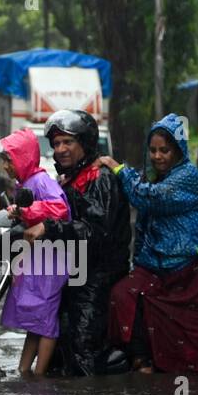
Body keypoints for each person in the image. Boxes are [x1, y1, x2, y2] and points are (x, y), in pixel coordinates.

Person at [100, 113, 198, 374]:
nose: (158, 156)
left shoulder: (189, 177)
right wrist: (139, 264)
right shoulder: (154, 178)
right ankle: (143, 360)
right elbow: (144, 226)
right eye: (153, 151)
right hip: (159, 265)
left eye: (165, 150)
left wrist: (118, 168)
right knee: (123, 295)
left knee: (196, 328)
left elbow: (149, 199)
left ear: (178, 150)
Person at [27, 109, 131, 376]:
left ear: (84, 143)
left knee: (81, 345)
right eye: (57, 143)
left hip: (97, 277)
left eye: (68, 142)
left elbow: (96, 232)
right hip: (73, 273)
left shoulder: (100, 179)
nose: (60, 149)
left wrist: (48, 228)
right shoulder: (68, 179)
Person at [0, 129, 71, 376]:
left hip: (52, 260)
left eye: (9, 160)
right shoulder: (24, 184)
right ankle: (23, 370)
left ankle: (39, 376)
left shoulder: (41, 181)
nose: (6, 166)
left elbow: (59, 208)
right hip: (37, 258)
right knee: (35, 318)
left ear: (23, 157)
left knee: (46, 320)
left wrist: (25, 211)